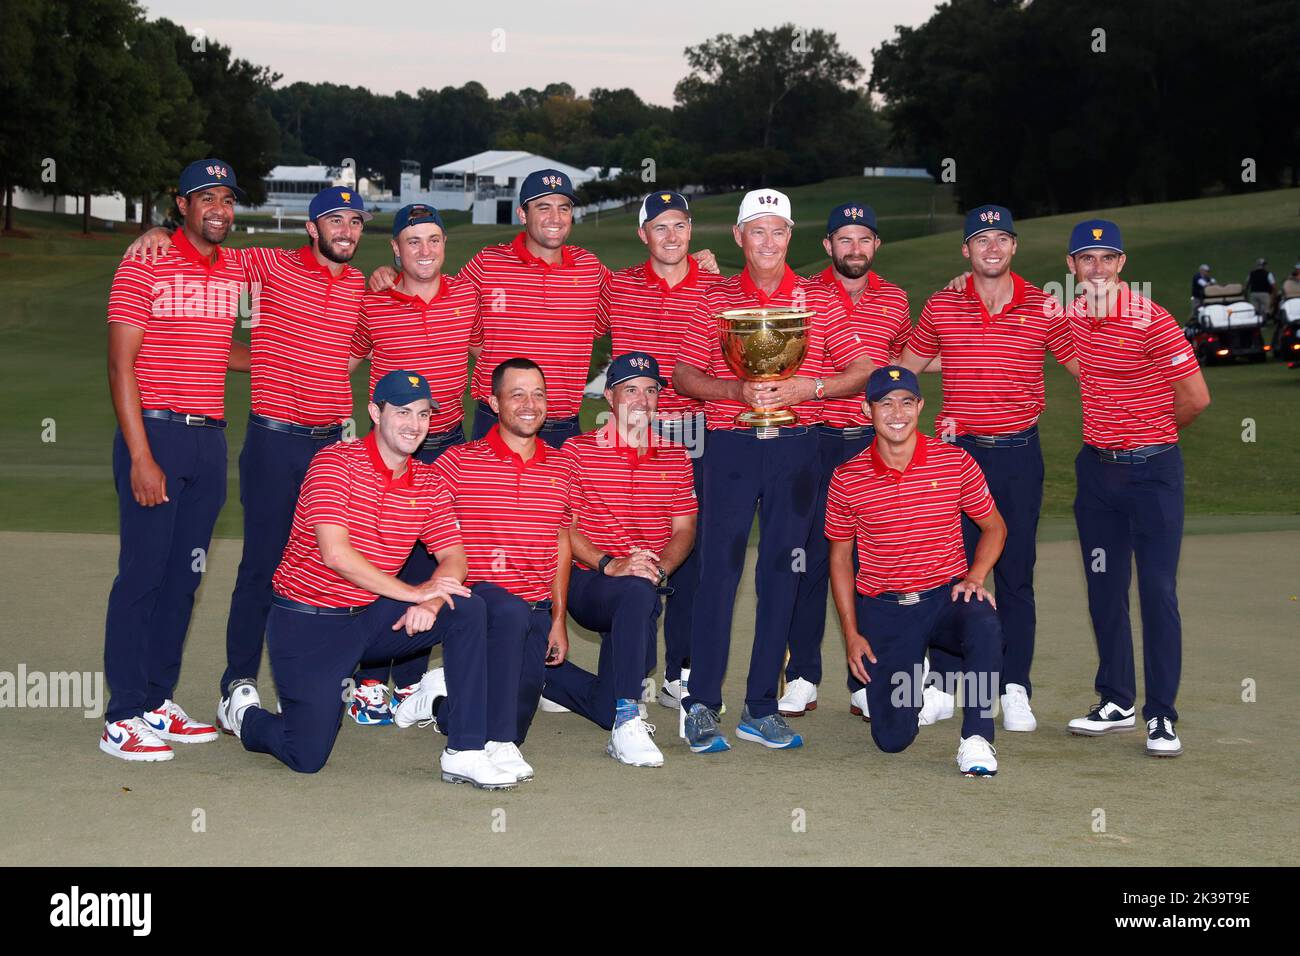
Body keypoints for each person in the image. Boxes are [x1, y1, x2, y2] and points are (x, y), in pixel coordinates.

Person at [125, 186, 376, 726]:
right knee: (263, 565)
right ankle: (238, 682)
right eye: (335, 221)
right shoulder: (269, 264)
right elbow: (200, 248)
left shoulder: (358, 284)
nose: (347, 231)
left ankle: (313, 678)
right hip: (274, 441)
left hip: (334, 445)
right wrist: (159, 232)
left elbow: (358, 346)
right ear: (312, 228)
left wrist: (323, 372)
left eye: (355, 221)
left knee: (329, 565)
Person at [225, 371, 512, 787]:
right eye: (402, 412)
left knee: (466, 606)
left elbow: (455, 557)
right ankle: (244, 716)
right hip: (307, 622)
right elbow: (336, 554)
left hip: (370, 617)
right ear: (375, 413)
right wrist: (414, 592)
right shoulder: (333, 462)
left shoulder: (429, 482)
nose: (415, 424)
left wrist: (431, 601)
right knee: (305, 754)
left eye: (423, 414)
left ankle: (463, 751)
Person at [673, 188, 876, 754]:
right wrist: (736, 388)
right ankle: (701, 704)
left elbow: (863, 367)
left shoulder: (818, 300)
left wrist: (809, 387)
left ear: (791, 238)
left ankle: (761, 705)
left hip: (797, 447)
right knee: (719, 573)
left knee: (782, 575)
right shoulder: (710, 298)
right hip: (731, 445)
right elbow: (684, 375)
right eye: (756, 230)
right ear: (739, 237)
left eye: (778, 231)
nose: (767, 242)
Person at [897, 204, 1079, 734]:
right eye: (982, 240)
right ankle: (944, 686)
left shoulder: (1044, 306)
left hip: (1019, 452)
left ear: (1014, 247)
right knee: (948, 570)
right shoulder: (942, 304)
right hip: (958, 455)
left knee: (1014, 573)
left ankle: (1015, 685)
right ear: (966, 251)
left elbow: (1081, 366)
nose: (992, 248)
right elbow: (908, 369)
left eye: (1001, 239)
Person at [101, 159, 251, 761]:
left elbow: (220, 343)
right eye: (205, 198)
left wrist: (273, 359)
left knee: (185, 577)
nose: (218, 208)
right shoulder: (146, 260)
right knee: (144, 574)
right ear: (181, 205)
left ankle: (156, 700)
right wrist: (140, 454)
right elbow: (121, 364)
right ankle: (122, 714)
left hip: (208, 440)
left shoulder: (235, 265)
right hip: (156, 437)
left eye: (226, 198)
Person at [1061, 220, 1210, 758]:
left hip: (1152, 473)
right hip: (1098, 475)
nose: (1096, 268)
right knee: (1104, 587)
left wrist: (1149, 433)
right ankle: (1117, 699)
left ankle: (1162, 715)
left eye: (1106, 258)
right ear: (1072, 266)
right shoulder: (1072, 317)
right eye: (1086, 259)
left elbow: (1196, 397)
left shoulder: (1153, 320)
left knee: (1156, 591)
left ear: (1121, 264)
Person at [826, 366, 1007, 776]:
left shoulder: (955, 461)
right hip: (885, 609)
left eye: (907, 402)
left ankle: (977, 737)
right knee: (892, 741)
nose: (897, 412)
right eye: (885, 403)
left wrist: (975, 577)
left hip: (946, 598)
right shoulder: (847, 477)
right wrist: (852, 635)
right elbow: (840, 558)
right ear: (867, 409)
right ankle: (917, 676)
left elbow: (995, 526)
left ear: (920, 406)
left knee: (984, 622)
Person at [401, 359, 574, 784]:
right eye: (517, 394)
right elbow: (411, 508)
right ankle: (483, 735)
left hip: (534, 615)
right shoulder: (458, 463)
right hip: (484, 613)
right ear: (494, 403)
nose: (529, 404)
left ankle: (442, 698)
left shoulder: (562, 467)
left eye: (538, 394)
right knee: (501, 735)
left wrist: (557, 620)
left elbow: (561, 543)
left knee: (514, 726)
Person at [349, 203, 483, 707]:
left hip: (446, 443)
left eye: (433, 240)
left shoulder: (467, 297)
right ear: (396, 249)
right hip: (387, 446)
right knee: (380, 550)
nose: (424, 251)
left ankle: (407, 678)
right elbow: (345, 357)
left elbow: (485, 352)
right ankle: (365, 680)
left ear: (444, 245)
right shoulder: (374, 301)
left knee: (433, 552)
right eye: (413, 241)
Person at [780, 202, 909, 720]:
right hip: (813, 437)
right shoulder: (802, 293)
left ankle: (865, 681)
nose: (854, 250)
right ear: (828, 245)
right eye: (844, 240)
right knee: (808, 559)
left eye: (864, 240)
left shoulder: (896, 300)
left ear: (875, 246)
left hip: (871, 444)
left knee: (871, 561)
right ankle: (804, 676)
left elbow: (899, 366)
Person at [593, 191, 721, 710]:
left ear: (692, 232)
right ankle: (621, 668)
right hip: (630, 431)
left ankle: (679, 670)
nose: (672, 237)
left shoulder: (718, 287)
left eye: (681, 226)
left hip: (694, 431)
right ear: (642, 235)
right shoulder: (617, 286)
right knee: (618, 541)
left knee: (688, 549)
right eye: (660, 228)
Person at [543, 352, 698, 766]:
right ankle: (629, 720)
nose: (642, 400)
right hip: (585, 580)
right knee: (635, 593)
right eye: (631, 390)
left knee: (602, 705)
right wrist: (608, 563)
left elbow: (685, 529)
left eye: (650, 391)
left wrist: (660, 567)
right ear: (610, 397)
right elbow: (564, 528)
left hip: (641, 582)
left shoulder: (676, 455)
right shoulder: (575, 452)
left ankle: (538, 675)